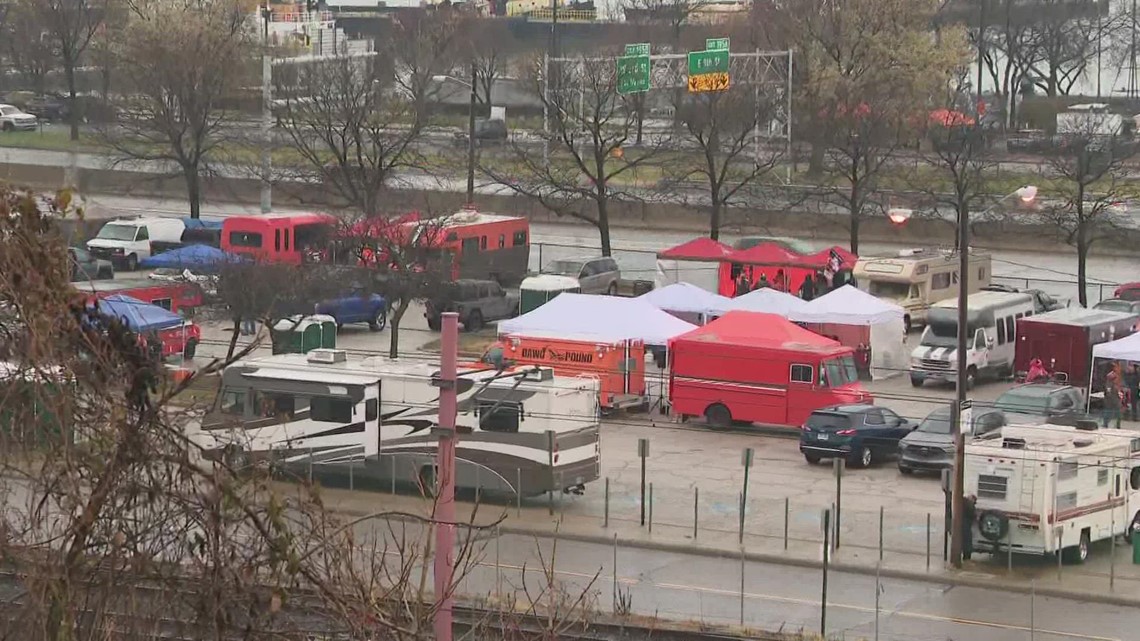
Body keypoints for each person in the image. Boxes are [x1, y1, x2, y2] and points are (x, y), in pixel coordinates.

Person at [962, 495, 977, 561]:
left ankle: (965, 557)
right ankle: (966, 558)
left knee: (965, 542)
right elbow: (973, 516)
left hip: (963, 525)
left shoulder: (964, 503)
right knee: (967, 543)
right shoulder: (971, 506)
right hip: (966, 526)